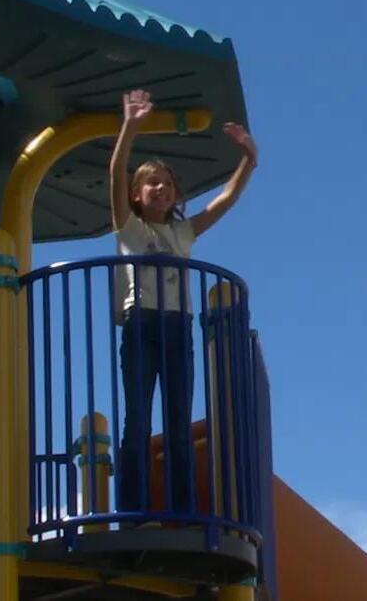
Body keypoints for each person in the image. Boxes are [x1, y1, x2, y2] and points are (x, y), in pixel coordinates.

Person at [110, 89, 258, 519]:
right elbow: (116, 170)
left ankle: (182, 509)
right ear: (137, 194)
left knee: (178, 423)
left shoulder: (184, 233)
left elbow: (224, 201)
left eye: (168, 184)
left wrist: (249, 160)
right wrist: (130, 127)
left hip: (178, 327)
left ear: (175, 195)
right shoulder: (129, 228)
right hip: (141, 325)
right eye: (152, 182)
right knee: (137, 420)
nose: (161, 188)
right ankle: (132, 512)